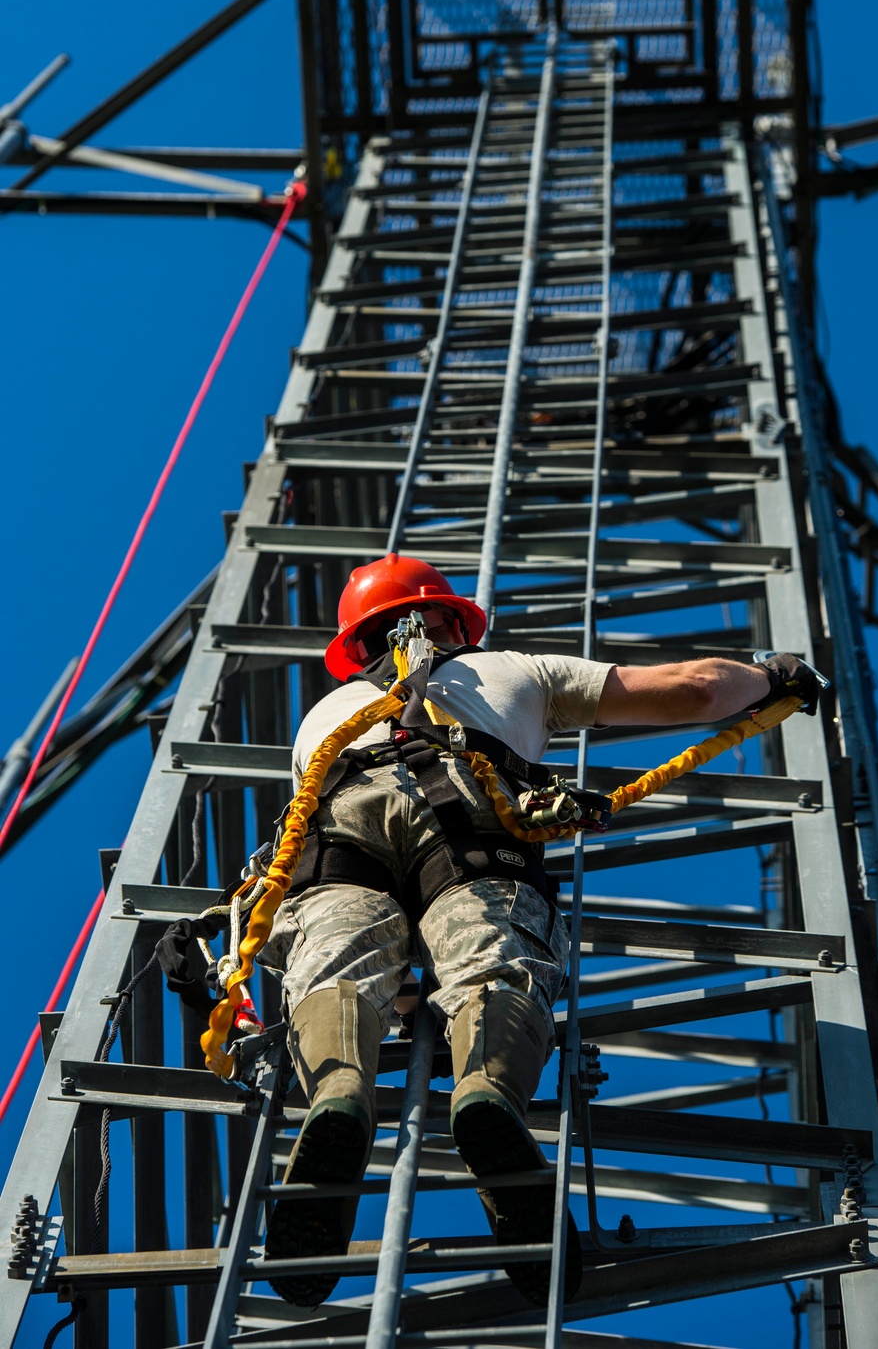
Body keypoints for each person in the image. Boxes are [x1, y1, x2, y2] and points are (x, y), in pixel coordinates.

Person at [259, 555, 819, 1308]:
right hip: (469, 822)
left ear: (357, 646)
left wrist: (398, 1002)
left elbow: (358, 928)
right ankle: (486, 1089)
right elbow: (698, 688)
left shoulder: (319, 721)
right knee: (495, 965)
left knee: (332, 968)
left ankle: (337, 1093)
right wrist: (770, 675)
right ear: (455, 620)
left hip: (332, 834)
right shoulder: (512, 672)